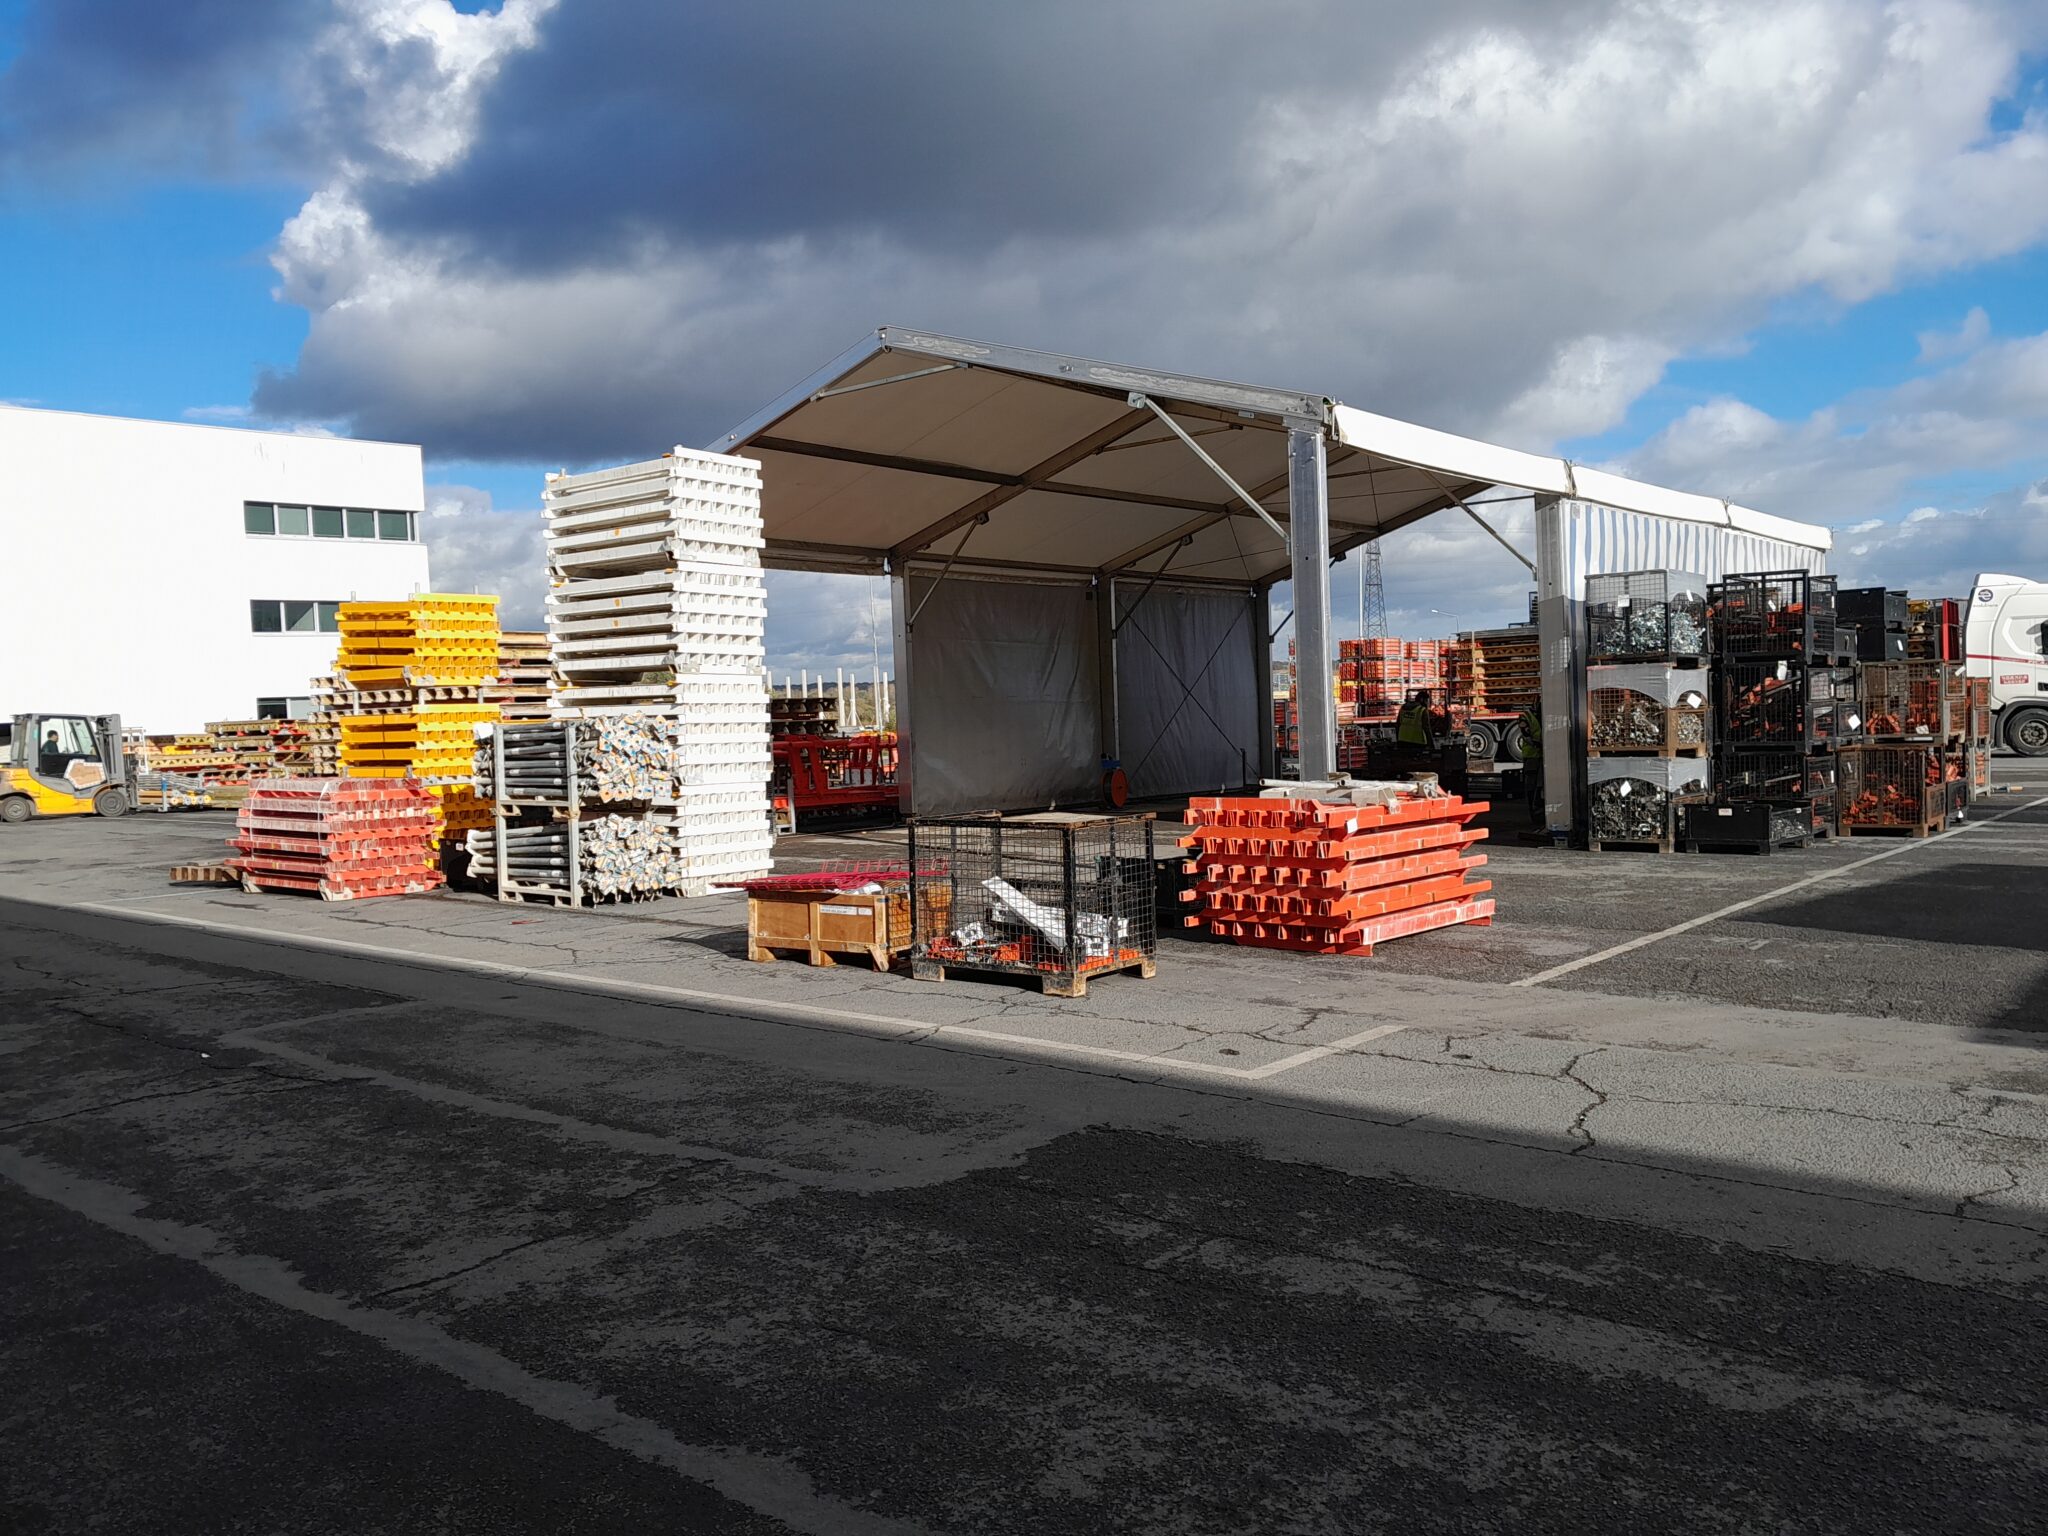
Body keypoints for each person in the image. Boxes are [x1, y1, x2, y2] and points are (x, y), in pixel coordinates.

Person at [1519, 704, 1544, 820]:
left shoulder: (1540, 714)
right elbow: (1525, 734)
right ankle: (1534, 811)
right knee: (1532, 785)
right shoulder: (1525, 716)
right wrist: (1538, 745)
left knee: (1539, 785)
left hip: (1540, 755)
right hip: (1532, 755)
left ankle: (1538, 810)